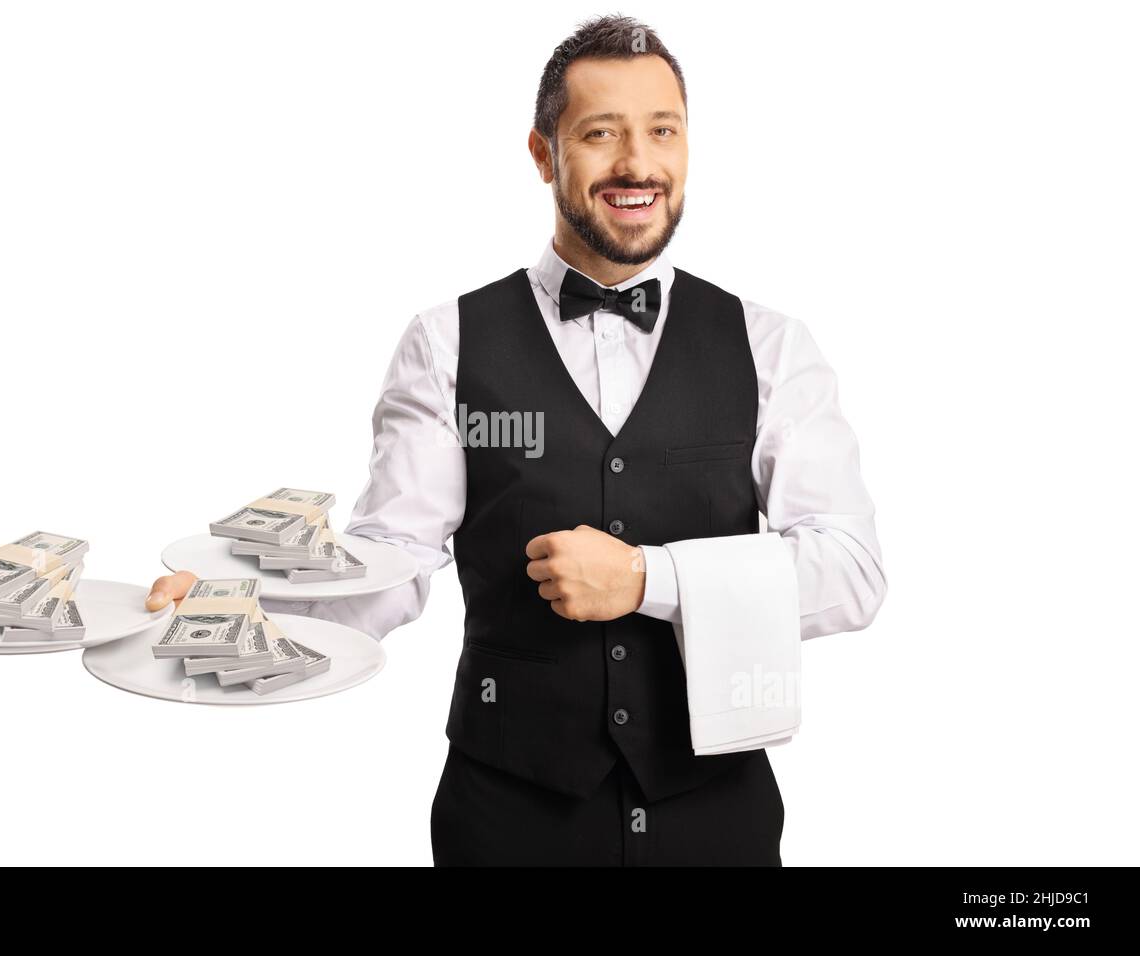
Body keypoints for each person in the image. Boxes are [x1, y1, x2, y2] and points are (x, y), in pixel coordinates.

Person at [146, 15, 886, 866]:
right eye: (600, 133)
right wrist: (244, 610)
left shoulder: (770, 345)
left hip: (715, 817)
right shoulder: (446, 341)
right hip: (507, 821)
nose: (637, 163)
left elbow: (852, 572)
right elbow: (393, 559)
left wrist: (649, 578)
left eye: (662, 131)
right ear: (542, 155)